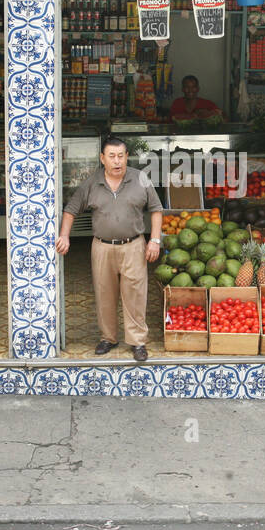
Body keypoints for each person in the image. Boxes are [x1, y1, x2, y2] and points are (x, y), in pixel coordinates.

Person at [56, 135, 163, 362]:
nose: (117, 161)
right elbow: (71, 209)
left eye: (121, 156)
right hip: (102, 247)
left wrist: (155, 240)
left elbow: (156, 209)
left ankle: (137, 341)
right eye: (112, 156)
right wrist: (64, 235)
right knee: (105, 293)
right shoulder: (92, 182)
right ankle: (108, 338)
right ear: (102, 158)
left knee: (135, 294)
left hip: (133, 245)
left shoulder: (140, 178)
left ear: (127, 157)